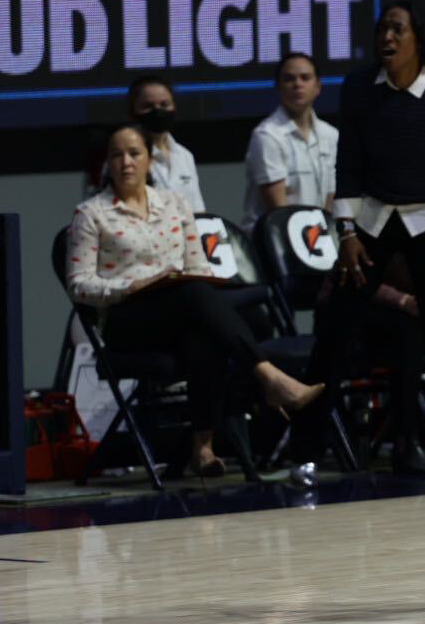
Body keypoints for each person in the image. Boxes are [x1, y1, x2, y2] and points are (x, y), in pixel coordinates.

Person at [298, 1, 425, 491]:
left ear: (417, 39)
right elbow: (348, 163)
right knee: (334, 331)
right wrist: (347, 233)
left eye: (397, 28)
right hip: (372, 222)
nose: (387, 36)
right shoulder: (359, 87)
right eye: (382, 28)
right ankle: (306, 454)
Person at [67, 124, 322, 475]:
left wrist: (179, 282)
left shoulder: (174, 204)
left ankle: (203, 447)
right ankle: (268, 377)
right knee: (194, 297)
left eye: (134, 153)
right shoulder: (91, 213)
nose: (126, 162)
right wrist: (131, 285)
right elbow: (79, 285)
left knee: (203, 331)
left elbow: (197, 265)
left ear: (148, 159)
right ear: (107, 163)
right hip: (128, 319)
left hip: (180, 310)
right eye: (116, 155)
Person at [242, 53, 337, 230]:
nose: (298, 84)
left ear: (318, 86)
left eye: (305, 78)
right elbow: (279, 211)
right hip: (274, 239)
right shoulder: (267, 135)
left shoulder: (331, 135)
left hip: (314, 238)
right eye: (289, 79)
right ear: (278, 87)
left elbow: (330, 200)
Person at [121, 76, 205, 213]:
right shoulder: (123, 158)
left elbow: (198, 210)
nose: (157, 110)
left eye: (164, 104)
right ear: (133, 111)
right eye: (148, 106)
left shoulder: (185, 156)